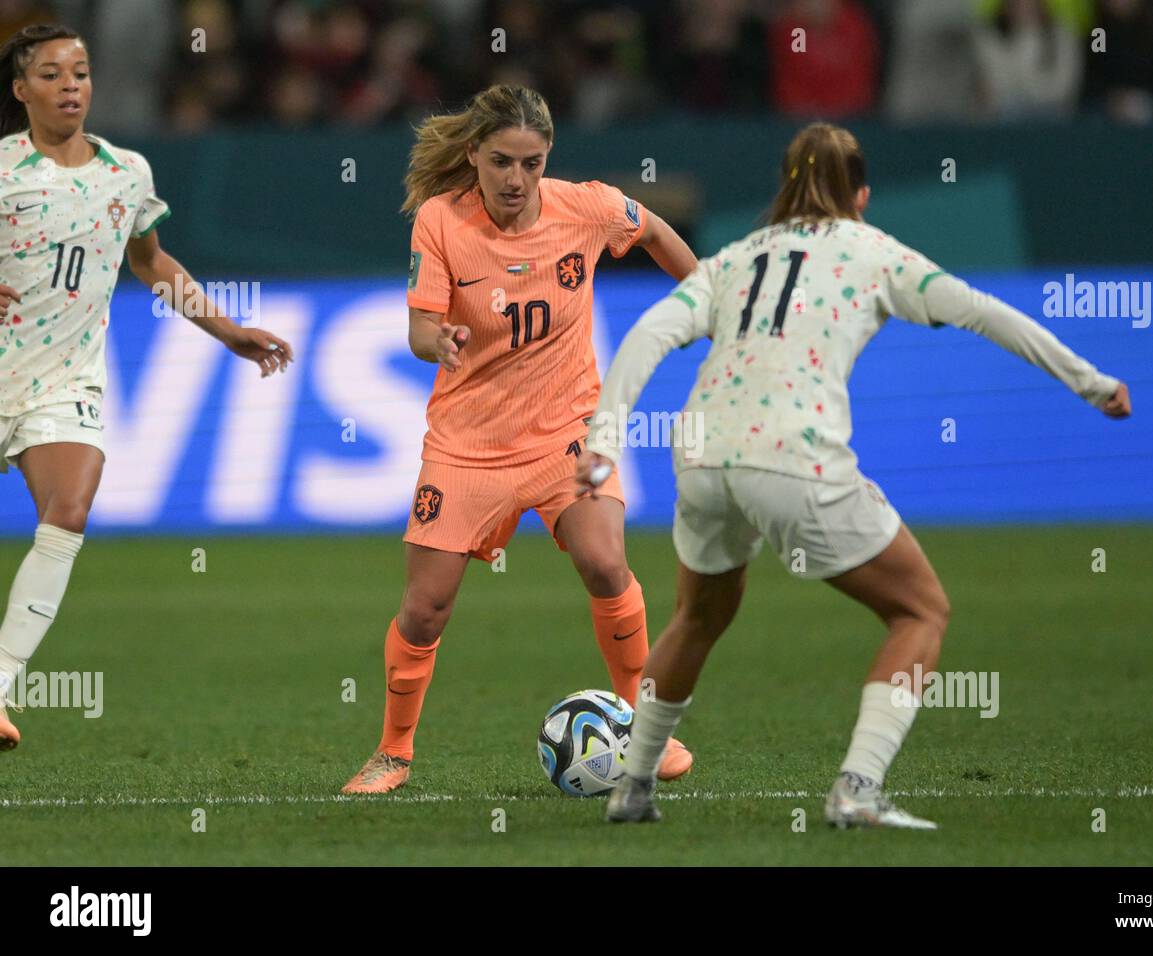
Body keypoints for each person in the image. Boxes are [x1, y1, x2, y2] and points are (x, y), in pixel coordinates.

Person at [577, 122, 1131, 828]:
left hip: (702, 454)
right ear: (861, 195)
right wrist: (1092, 382)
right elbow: (985, 314)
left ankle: (632, 787)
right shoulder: (876, 253)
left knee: (697, 617)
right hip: (792, 455)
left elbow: (649, 332)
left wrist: (605, 440)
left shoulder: (735, 258)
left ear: (785, 186)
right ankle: (858, 788)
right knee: (920, 611)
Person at [342, 85, 698, 795]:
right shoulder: (441, 223)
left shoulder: (588, 207)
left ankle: (648, 732)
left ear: (548, 160)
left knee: (604, 561)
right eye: (502, 161)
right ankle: (392, 754)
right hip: (467, 445)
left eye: (532, 163)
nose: (516, 179)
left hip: (566, 431)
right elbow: (417, 329)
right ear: (473, 154)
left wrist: (708, 299)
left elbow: (655, 231)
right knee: (425, 608)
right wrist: (435, 340)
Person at [0, 24, 294, 751]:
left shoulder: (126, 172)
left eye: (81, 72)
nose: (71, 85)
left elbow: (153, 263)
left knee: (68, 509)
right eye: (51, 74)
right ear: (20, 90)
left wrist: (228, 331)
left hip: (65, 380)